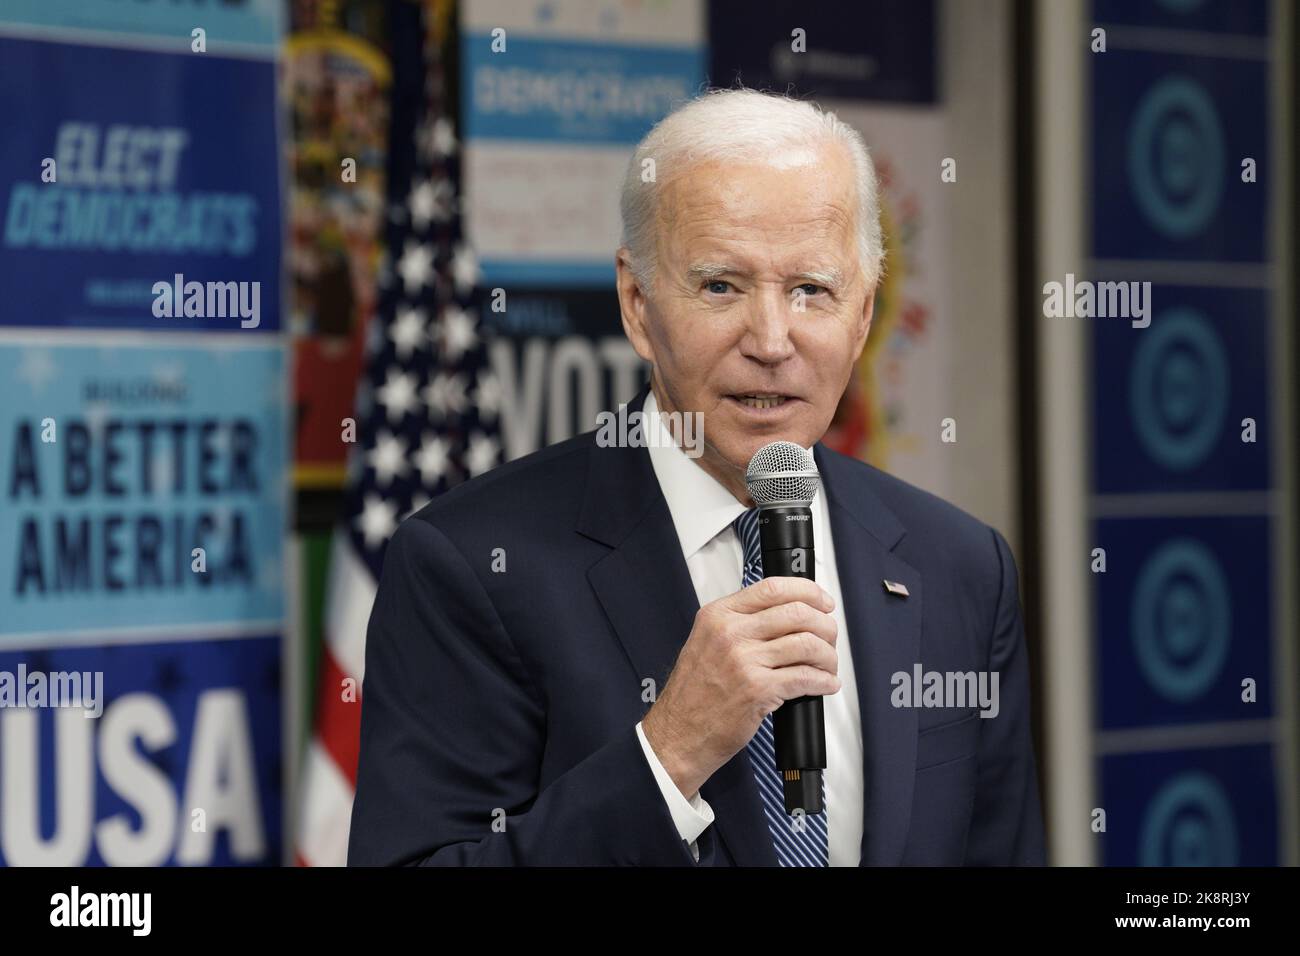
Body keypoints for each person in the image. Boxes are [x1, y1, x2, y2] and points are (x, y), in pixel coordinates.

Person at [348, 88, 1046, 866]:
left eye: (811, 289)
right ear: (638, 303)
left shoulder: (960, 567)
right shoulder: (470, 565)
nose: (772, 341)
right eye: (722, 286)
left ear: (862, 318)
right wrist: (667, 754)